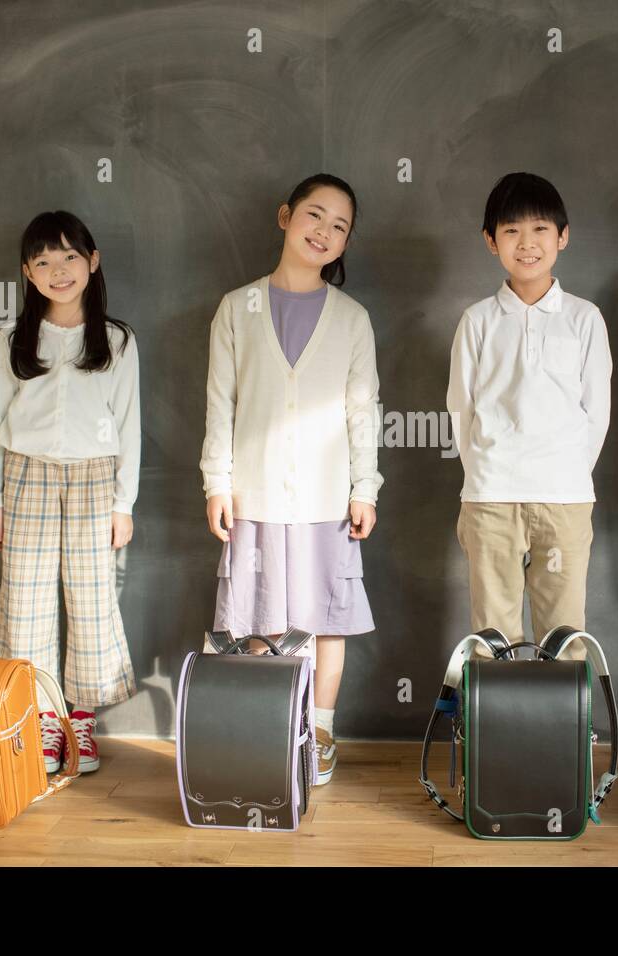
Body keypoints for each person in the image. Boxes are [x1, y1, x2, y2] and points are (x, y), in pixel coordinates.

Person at [200, 173, 383, 785]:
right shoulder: (237, 307)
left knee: (326, 619)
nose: (324, 232)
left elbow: (364, 412)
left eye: (340, 226)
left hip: (326, 497)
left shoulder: (352, 319)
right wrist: (216, 483)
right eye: (315, 215)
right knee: (260, 617)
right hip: (253, 492)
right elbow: (220, 402)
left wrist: (365, 488)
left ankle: (321, 731)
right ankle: (272, 725)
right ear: (285, 217)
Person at [0, 210, 141, 774]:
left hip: (96, 480)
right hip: (26, 476)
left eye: (70, 256)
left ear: (92, 262)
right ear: (28, 272)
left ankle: (82, 722)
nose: (58, 270)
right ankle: (43, 722)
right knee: (25, 601)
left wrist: (124, 504)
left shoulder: (117, 341)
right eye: (43, 261)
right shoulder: (11, 340)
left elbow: (129, 427)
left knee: (92, 601)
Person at [447, 172, 613, 663]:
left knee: (565, 634)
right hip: (491, 495)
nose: (527, 244)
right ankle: (492, 734)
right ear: (490, 240)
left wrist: (567, 471)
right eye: (511, 230)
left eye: (540, 229)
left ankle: (564, 737)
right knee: (491, 632)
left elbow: (595, 412)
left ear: (562, 236)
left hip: (564, 497)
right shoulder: (478, 320)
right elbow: (461, 408)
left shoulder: (584, 318)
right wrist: (484, 471)